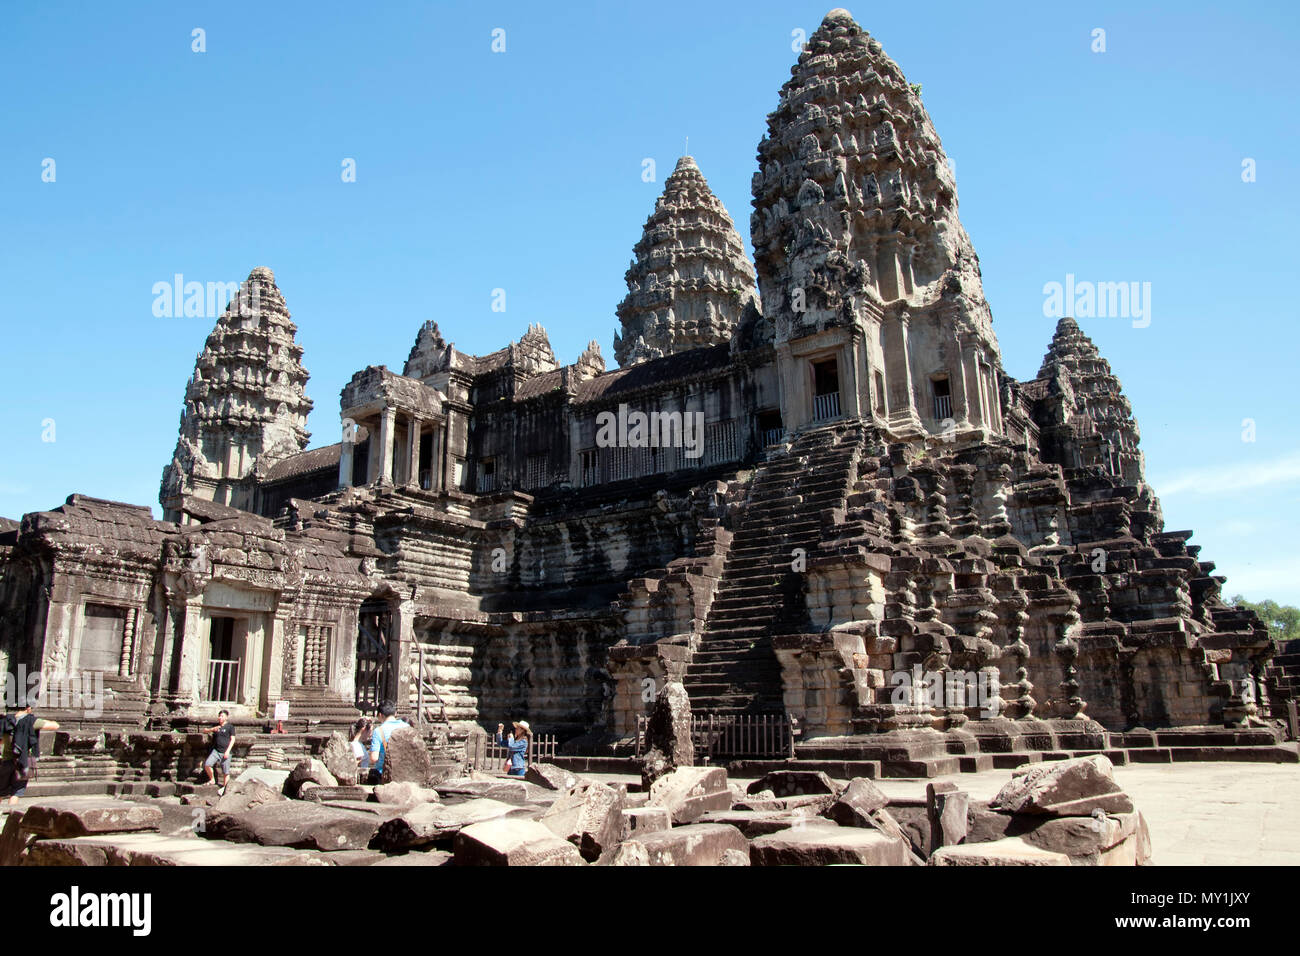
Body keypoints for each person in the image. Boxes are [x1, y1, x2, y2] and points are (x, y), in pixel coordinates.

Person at [0, 700, 59, 804]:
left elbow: (1, 741)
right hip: (22, 761)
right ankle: (11, 816)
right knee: (16, 792)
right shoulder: (30, 721)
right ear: (28, 708)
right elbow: (55, 726)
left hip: (6, 761)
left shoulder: (4, 721)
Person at [367, 701, 409, 784]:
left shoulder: (379, 731)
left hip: (384, 774)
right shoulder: (406, 727)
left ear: (380, 715)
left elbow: (374, 758)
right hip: (404, 772)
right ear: (395, 713)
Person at [200, 710, 235, 792]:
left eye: (222, 716)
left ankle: (225, 788)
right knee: (207, 764)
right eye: (219, 716)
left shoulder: (230, 727)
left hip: (226, 751)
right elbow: (204, 730)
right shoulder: (216, 727)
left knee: (225, 771)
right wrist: (212, 729)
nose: (220, 718)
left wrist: (227, 751)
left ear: (226, 717)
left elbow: (232, 739)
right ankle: (212, 779)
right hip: (216, 751)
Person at [349, 717, 373, 783]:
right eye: (370, 731)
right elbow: (355, 764)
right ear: (364, 729)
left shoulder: (358, 744)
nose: (370, 734)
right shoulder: (356, 746)